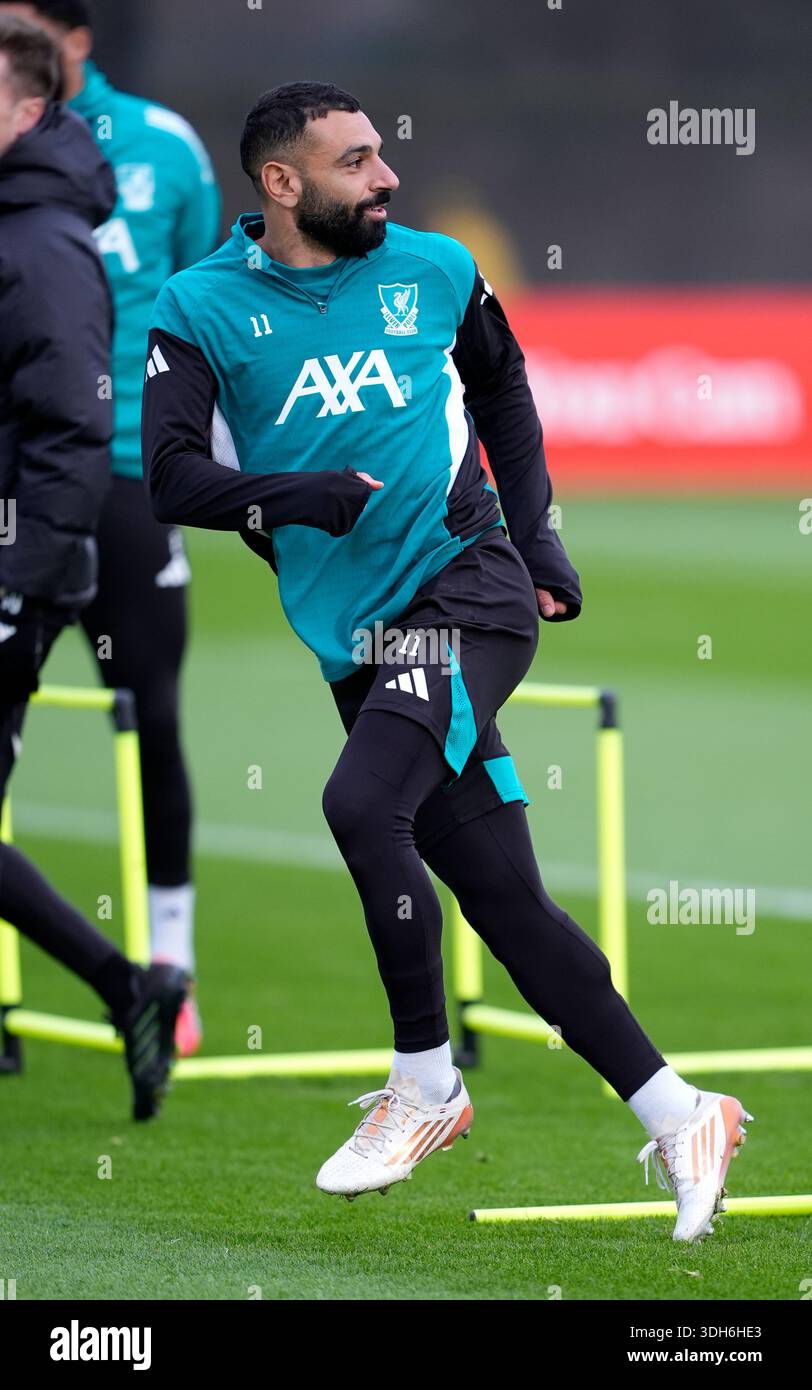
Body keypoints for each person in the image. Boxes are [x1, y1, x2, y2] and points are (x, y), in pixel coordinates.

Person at [141, 81, 752, 1242]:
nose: (385, 177)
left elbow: (504, 389)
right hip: (353, 636)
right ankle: (681, 1112)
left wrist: (540, 540)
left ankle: (423, 1080)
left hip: (466, 585)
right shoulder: (199, 305)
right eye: (355, 161)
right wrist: (299, 495)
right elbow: (171, 476)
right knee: (504, 900)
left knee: (358, 801)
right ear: (280, 184)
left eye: (381, 156)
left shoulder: (432, 268)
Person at [0, 0, 223, 1056]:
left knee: (152, 711)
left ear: (70, 40)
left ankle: (168, 972)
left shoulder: (163, 146)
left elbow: (205, 292)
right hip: (29, 476)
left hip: (129, 472)